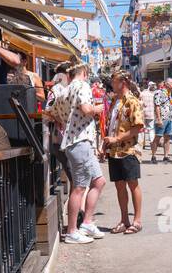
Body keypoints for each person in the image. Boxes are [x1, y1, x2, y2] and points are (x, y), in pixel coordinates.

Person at [53, 64, 107, 243]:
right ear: (84, 73)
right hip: (80, 141)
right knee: (79, 188)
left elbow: (55, 114)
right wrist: (97, 109)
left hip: (76, 141)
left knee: (99, 181)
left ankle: (87, 222)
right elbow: (86, 109)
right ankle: (72, 231)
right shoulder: (82, 86)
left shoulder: (64, 90)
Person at [103, 71, 145, 234]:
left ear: (123, 82)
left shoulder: (132, 101)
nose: (111, 84)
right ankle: (124, 220)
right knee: (119, 186)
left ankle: (137, 220)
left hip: (129, 149)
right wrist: (105, 145)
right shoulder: (115, 100)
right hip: (114, 150)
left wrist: (117, 139)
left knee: (132, 184)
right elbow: (111, 125)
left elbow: (138, 127)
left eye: (114, 81)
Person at [151, 79, 172, 162]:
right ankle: (153, 156)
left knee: (167, 137)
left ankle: (166, 156)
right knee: (158, 136)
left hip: (169, 118)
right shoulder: (158, 92)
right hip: (162, 118)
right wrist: (159, 119)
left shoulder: (169, 93)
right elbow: (157, 106)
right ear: (167, 84)